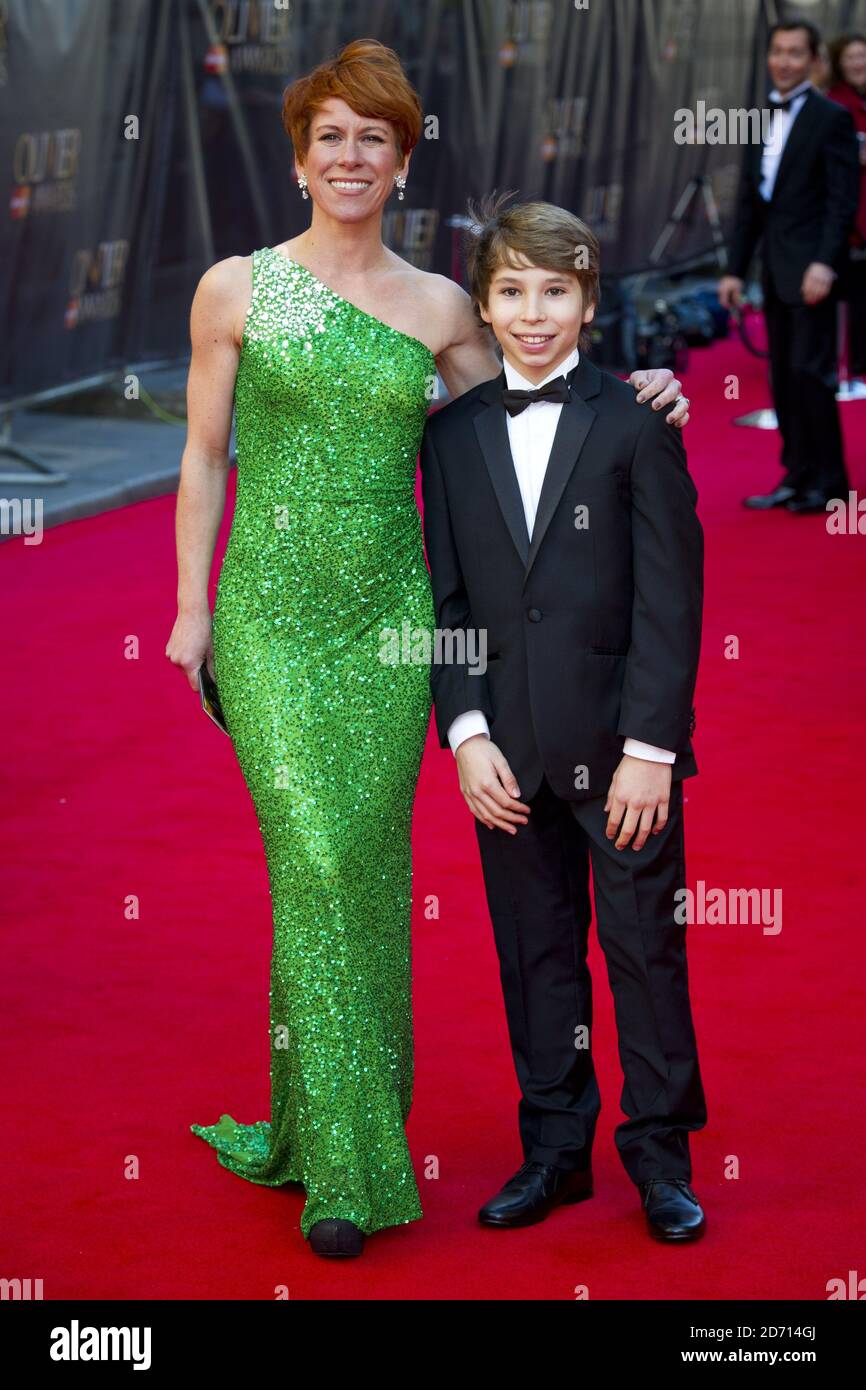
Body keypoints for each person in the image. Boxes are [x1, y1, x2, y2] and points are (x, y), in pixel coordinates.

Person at [166, 38, 690, 1260]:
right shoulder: (232, 288)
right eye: (330, 137)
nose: (350, 158)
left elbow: (530, 399)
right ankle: (349, 1162)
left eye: (375, 139)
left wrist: (643, 393)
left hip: (398, 623)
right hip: (268, 617)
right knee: (314, 851)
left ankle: (326, 1119)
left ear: (403, 161)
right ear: (299, 157)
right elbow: (199, 456)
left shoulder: (443, 304)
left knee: (359, 866)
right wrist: (189, 608)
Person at [420, 196, 708, 1242]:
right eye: (509, 292)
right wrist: (465, 734)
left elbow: (670, 599)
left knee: (642, 951)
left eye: (554, 290)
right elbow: (443, 603)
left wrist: (649, 751)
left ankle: (660, 1158)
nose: (532, 313)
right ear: (483, 306)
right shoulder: (447, 438)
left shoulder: (635, 422)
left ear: (589, 298)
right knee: (532, 953)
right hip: (507, 753)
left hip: (620, 750)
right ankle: (551, 1151)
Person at [719, 19, 860, 514]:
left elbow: (842, 201)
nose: (784, 61)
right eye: (778, 51)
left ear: (814, 60)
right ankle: (797, 475)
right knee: (782, 373)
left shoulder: (832, 118)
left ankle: (831, 482)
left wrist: (825, 263)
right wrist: (735, 269)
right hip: (773, 270)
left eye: (795, 53)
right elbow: (750, 203)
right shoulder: (758, 117)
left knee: (812, 373)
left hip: (812, 270)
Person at [828, 32, 866, 379]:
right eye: (852, 56)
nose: (859, 63)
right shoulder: (834, 105)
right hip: (850, 219)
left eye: (863, 56)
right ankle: (851, 361)